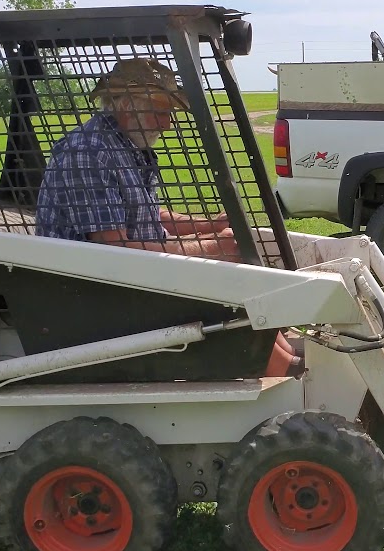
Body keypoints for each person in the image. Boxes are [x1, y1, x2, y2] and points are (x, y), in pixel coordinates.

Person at [34, 58, 301, 376]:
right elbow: (112, 249)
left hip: (132, 278)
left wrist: (210, 227)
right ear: (127, 106)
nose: (167, 124)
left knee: (237, 286)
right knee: (220, 297)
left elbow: (148, 214)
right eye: (159, 113)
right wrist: (211, 249)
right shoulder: (89, 153)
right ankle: (288, 378)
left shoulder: (127, 146)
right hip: (93, 294)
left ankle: (290, 362)